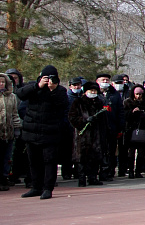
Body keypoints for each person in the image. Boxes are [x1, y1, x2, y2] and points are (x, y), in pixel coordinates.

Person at [17, 65, 70, 199]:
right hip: (31, 131)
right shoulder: (33, 87)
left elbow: (63, 104)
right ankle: (36, 187)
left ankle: (48, 188)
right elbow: (20, 94)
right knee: (33, 161)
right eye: (46, 77)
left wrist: (53, 90)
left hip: (50, 133)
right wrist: (37, 85)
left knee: (49, 161)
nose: (48, 80)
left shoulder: (60, 91)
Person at [68, 81, 107, 186]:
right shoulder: (78, 102)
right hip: (83, 134)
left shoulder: (99, 103)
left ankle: (93, 177)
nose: (93, 93)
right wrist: (84, 120)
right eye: (91, 91)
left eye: (95, 91)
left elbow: (103, 119)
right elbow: (72, 117)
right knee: (82, 158)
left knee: (95, 157)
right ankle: (81, 178)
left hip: (96, 134)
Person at [95, 72, 124, 180]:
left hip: (112, 127)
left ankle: (108, 172)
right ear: (98, 81)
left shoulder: (114, 94)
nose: (105, 82)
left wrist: (120, 128)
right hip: (98, 128)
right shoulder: (94, 93)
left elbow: (120, 112)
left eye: (107, 80)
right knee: (99, 150)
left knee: (111, 151)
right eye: (103, 80)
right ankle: (96, 172)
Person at [0, 72, 23, 190]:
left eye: (3, 82)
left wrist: (17, 128)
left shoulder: (12, 97)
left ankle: (4, 177)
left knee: (7, 156)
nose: (1, 84)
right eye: (0, 82)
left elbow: (15, 114)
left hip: (8, 131)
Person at [124, 85, 145, 177]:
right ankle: (131, 171)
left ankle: (138, 171)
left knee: (141, 152)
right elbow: (125, 116)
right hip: (131, 130)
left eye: (140, 94)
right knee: (131, 152)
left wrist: (144, 113)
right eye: (136, 94)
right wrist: (132, 112)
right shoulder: (128, 102)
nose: (138, 96)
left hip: (143, 130)